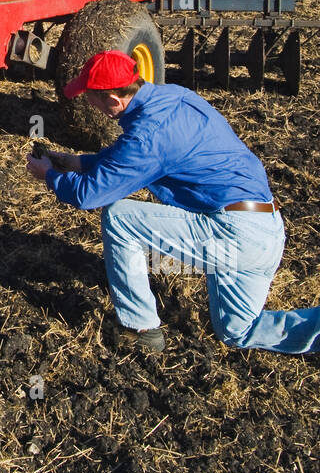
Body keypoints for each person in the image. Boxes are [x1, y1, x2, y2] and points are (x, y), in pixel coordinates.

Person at [25, 50, 320, 354]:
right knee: (237, 330)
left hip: (233, 234)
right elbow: (124, 160)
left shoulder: (147, 136)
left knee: (120, 218)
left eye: (90, 97)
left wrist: (49, 176)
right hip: (265, 230)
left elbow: (88, 195)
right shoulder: (175, 97)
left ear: (114, 101)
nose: (87, 102)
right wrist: (72, 162)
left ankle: (141, 328)